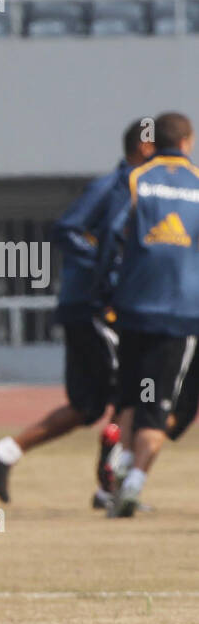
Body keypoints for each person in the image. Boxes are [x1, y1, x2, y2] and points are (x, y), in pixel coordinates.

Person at [0, 119, 154, 507]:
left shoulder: (140, 187)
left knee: (86, 406)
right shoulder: (117, 185)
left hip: (87, 306)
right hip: (94, 307)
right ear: (145, 148)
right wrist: (108, 270)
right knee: (131, 394)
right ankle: (110, 488)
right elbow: (67, 229)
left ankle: (4, 452)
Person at [94, 111, 199, 518]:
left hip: (134, 310)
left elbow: (109, 236)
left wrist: (104, 290)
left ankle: (116, 463)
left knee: (132, 397)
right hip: (181, 314)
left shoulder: (137, 178)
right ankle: (132, 482)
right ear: (187, 141)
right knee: (158, 405)